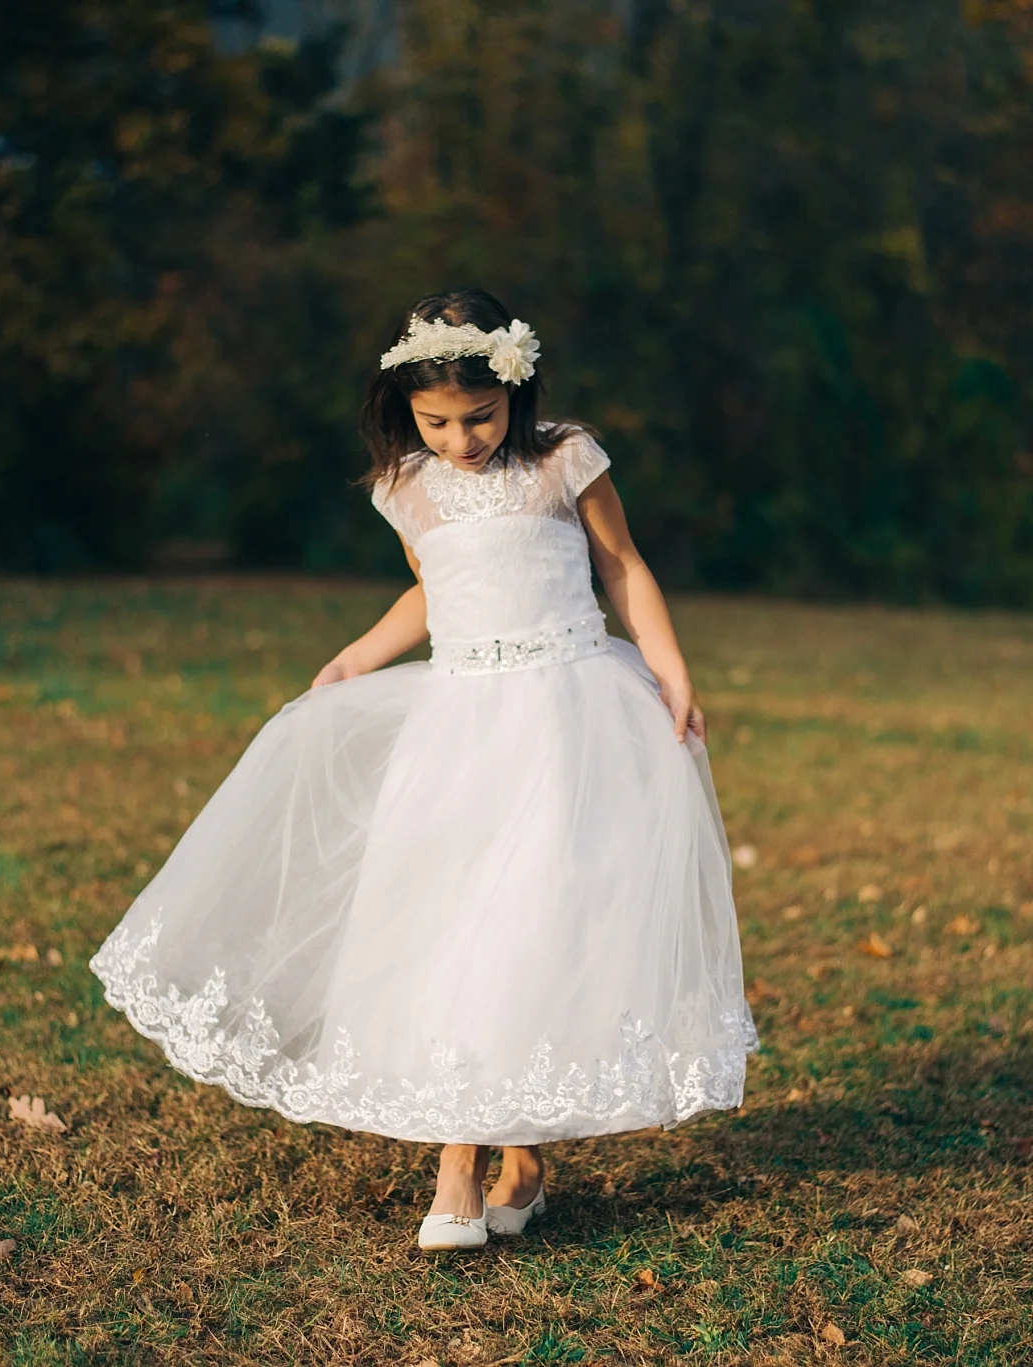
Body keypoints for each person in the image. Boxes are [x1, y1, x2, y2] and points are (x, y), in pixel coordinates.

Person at [90, 288, 755, 1252]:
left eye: (479, 417)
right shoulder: (405, 484)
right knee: (457, 923)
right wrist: (358, 658)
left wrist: (671, 665)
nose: (459, 438)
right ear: (405, 407)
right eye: (434, 420)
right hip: (463, 724)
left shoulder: (567, 458)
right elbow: (431, 588)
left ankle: (504, 1159)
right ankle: (467, 1159)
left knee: (543, 924)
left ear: (516, 395)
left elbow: (623, 565)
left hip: (571, 715)